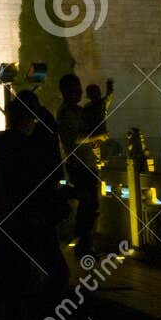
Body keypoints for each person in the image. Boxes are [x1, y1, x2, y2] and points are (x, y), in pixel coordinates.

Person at [0, 93, 69, 320]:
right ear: (29, 118)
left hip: (1, 222)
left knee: (4, 278)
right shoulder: (27, 148)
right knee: (30, 277)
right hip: (24, 222)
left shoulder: (0, 146)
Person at [55, 75, 103, 255]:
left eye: (79, 88)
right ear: (66, 91)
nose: (80, 92)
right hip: (80, 164)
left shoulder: (77, 110)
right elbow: (76, 139)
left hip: (88, 163)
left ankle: (85, 244)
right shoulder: (67, 112)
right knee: (89, 205)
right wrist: (97, 137)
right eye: (75, 89)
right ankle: (84, 245)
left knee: (90, 207)